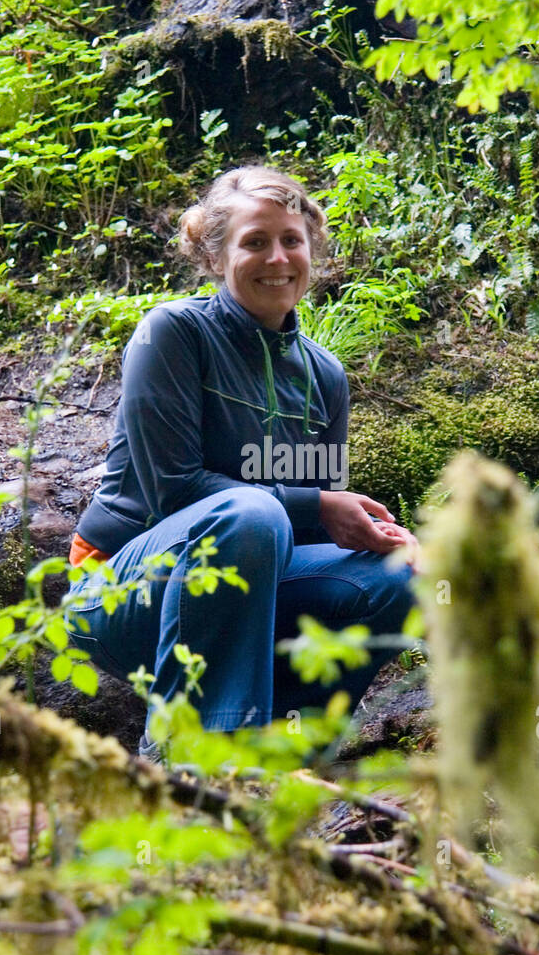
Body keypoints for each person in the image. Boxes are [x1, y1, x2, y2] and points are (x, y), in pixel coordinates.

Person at [64, 165, 418, 749]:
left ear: (312, 251)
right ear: (215, 256)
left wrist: (387, 538)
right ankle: (193, 761)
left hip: (251, 590)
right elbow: (174, 493)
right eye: (254, 242)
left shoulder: (324, 375)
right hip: (120, 593)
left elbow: (305, 534)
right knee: (252, 513)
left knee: (398, 578)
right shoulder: (173, 335)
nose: (277, 258)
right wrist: (316, 503)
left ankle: (287, 751)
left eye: (291, 241)